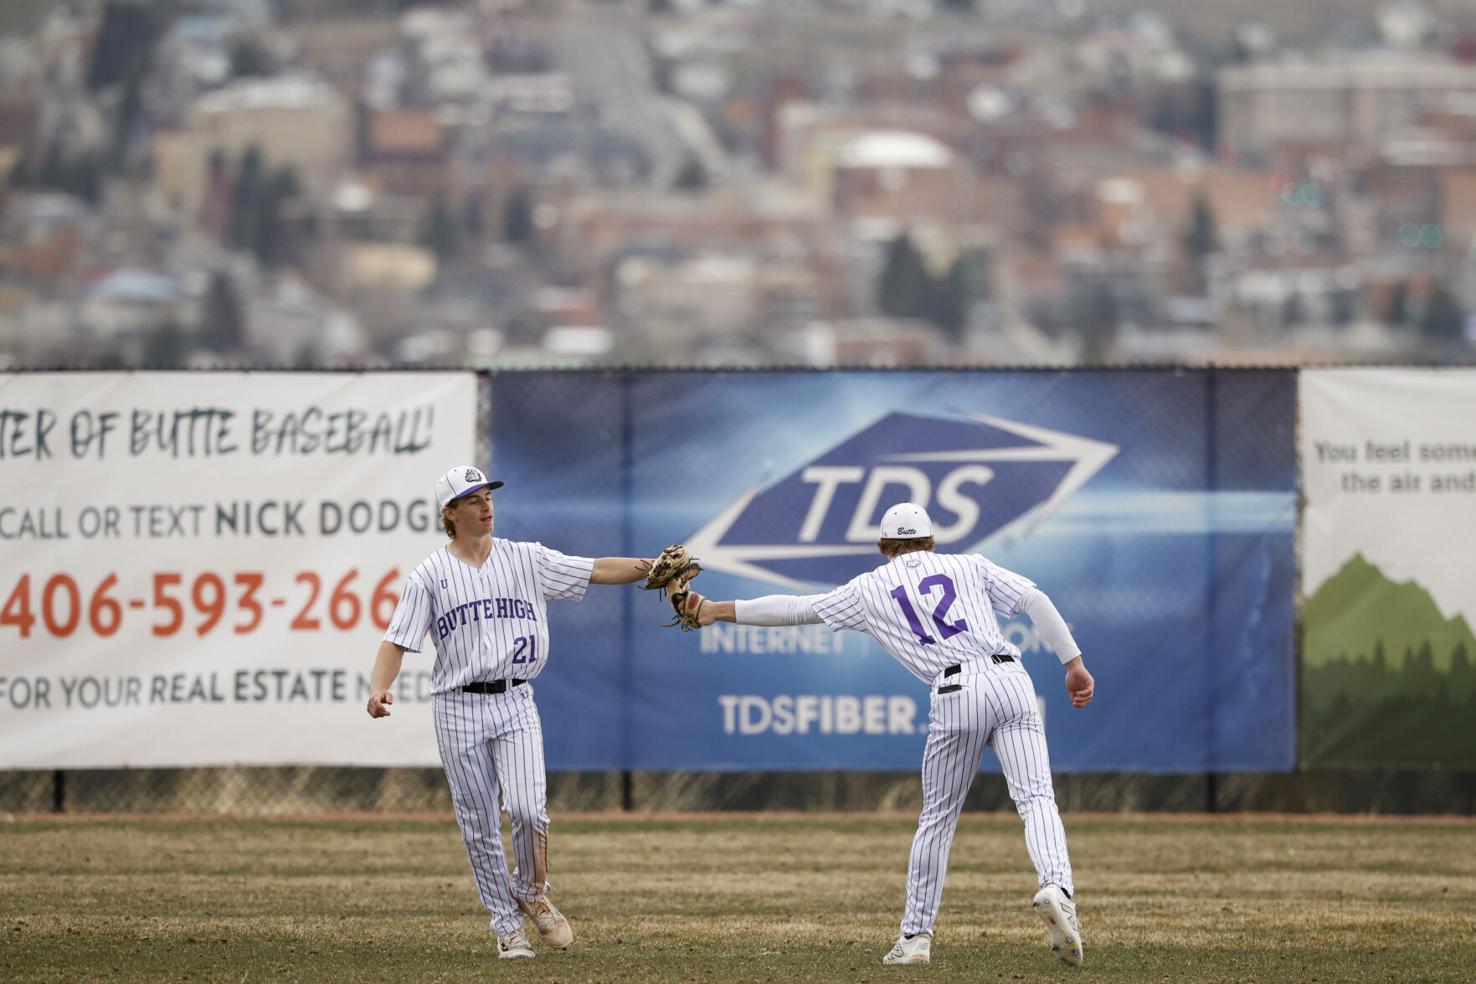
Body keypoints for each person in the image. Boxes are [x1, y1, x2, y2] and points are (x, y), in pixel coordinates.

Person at [679, 501, 1095, 967]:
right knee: (1037, 798)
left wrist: (714, 609)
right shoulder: (967, 564)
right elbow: (1034, 599)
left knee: (937, 820)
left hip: (954, 689)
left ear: (883, 546)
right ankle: (1057, 887)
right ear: (931, 539)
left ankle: (916, 939)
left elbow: (796, 608)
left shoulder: (869, 587)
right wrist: (1073, 663)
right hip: (1010, 678)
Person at [367, 465, 655, 959]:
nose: (486, 505)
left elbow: (596, 569)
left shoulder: (526, 559)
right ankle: (507, 928)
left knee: (527, 808)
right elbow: (397, 639)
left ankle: (531, 890)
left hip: (515, 698)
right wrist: (379, 689)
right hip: (458, 707)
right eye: (473, 499)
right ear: (450, 514)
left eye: (489, 496)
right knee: (479, 823)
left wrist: (651, 567)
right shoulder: (430, 576)